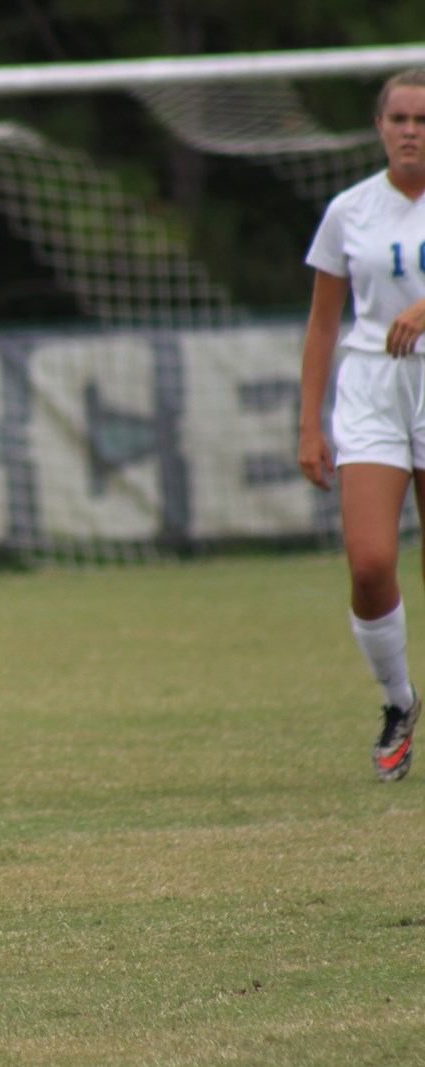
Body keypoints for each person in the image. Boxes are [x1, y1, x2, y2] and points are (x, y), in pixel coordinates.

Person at [298, 68, 425, 782]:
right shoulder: (351, 210)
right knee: (371, 563)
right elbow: (322, 324)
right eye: (399, 117)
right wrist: (309, 424)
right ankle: (398, 700)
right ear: (379, 126)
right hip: (373, 384)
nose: (411, 129)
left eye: (423, 119)